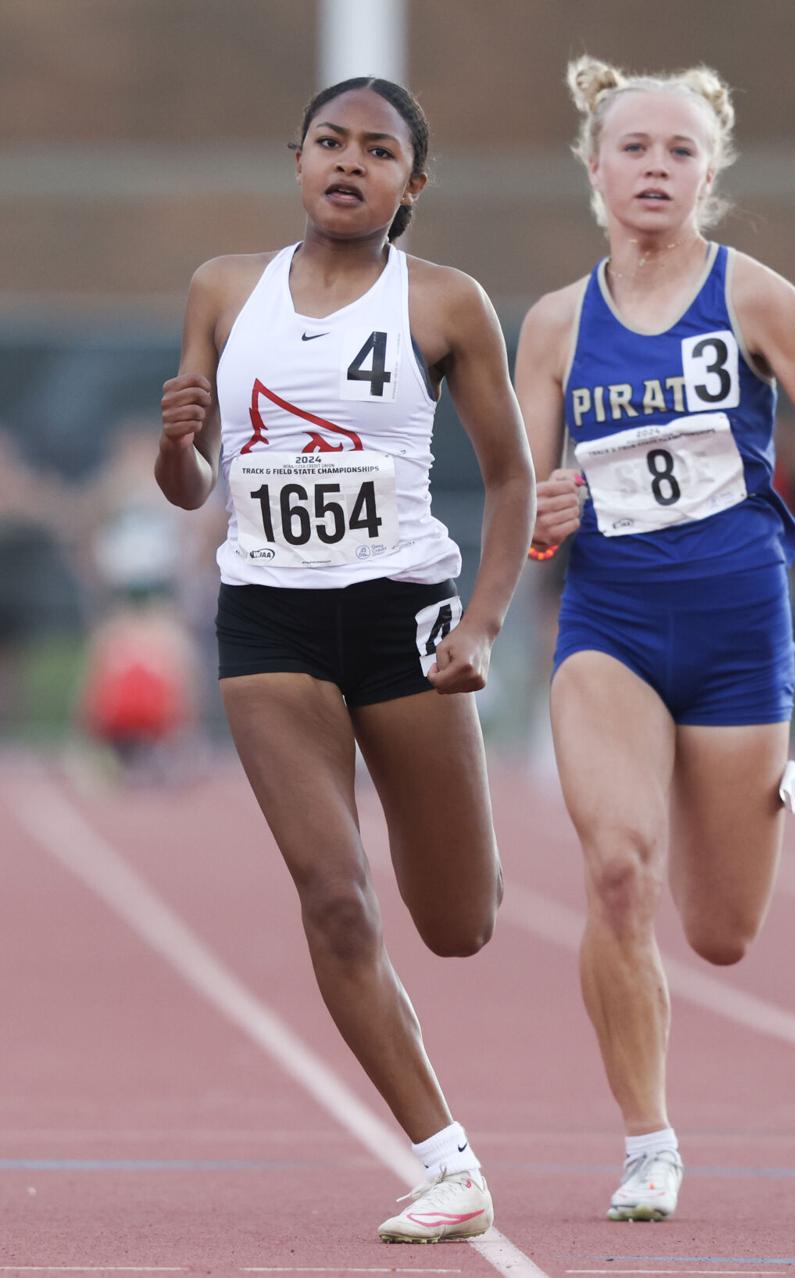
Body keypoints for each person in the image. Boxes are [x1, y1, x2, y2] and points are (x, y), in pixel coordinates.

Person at [514, 56, 795, 1224]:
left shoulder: (756, 300)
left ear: (709, 175)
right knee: (618, 871)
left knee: (722, 935)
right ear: (596, 169)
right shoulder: (550, 326)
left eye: (681, 152)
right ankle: (648, 1142)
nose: (657, 169)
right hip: (611, 631)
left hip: (741, 639)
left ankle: (754, 785)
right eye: (636, 148)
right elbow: (524, 508)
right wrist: (535, 522)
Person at [155, 76, 535, 1243]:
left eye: (377, 151)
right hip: (268, 618)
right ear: (300, 158)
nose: (348, 163)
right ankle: (446, 1160)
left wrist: (479, 625)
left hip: (402, 617)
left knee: (458, 922)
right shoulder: (226, 290)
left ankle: (456, 863)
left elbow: (512, 479)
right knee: (332, 899)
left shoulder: (447, 303)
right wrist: (180, 444)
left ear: (410, 185)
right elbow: (191, 489)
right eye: (330, 143)